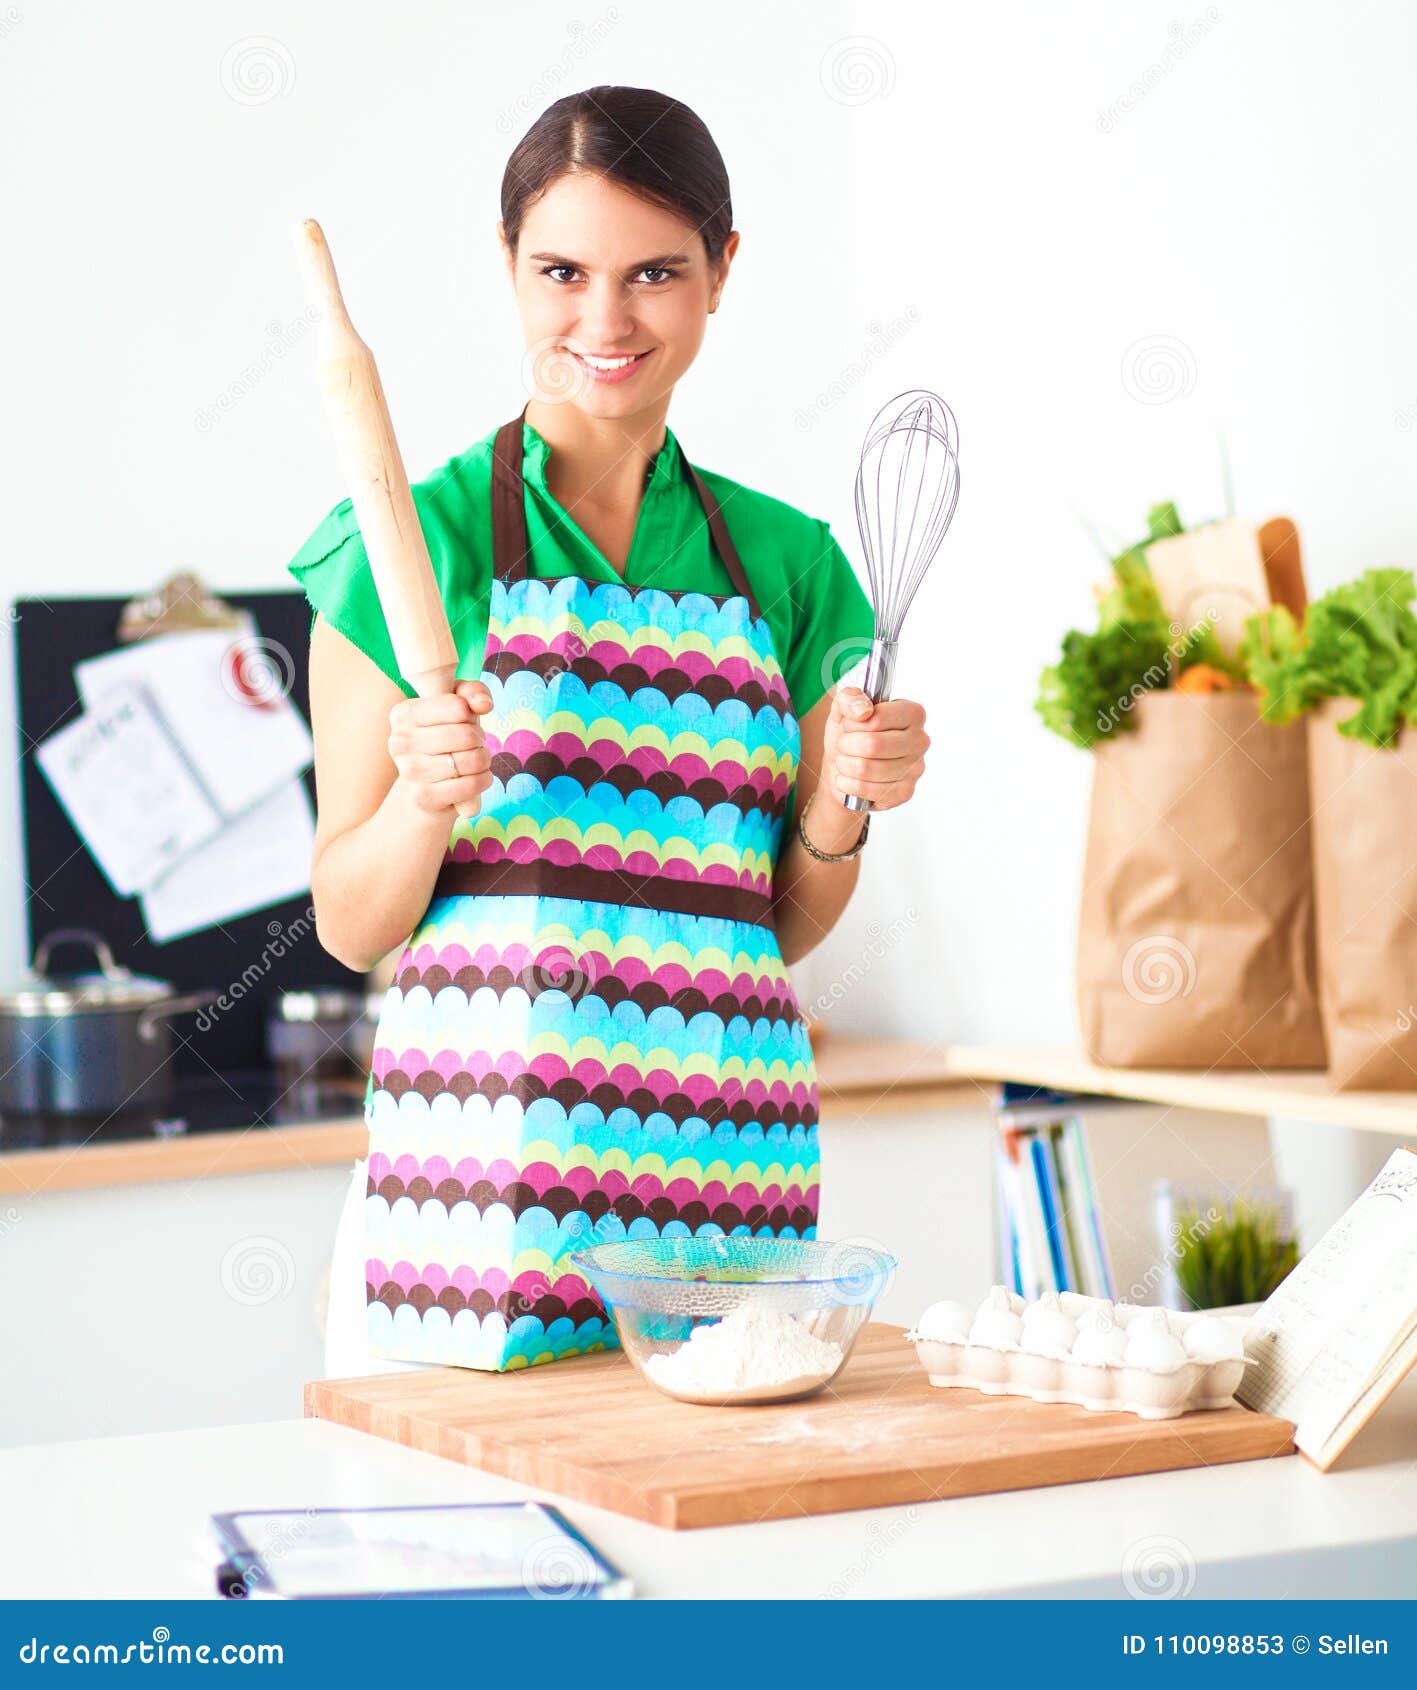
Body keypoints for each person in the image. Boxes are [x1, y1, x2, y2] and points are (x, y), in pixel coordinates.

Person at [289, 85, 930, 1378]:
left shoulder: (788, 566)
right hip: (469, 1215)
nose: (604, 319)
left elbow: (772, 926)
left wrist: (839, 805)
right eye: (560, 272)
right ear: (509, 268)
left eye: (653, 273)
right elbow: (351, 926)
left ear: (719, 273)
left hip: (717, 1199)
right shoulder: (414, 545)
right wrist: (423, 802)